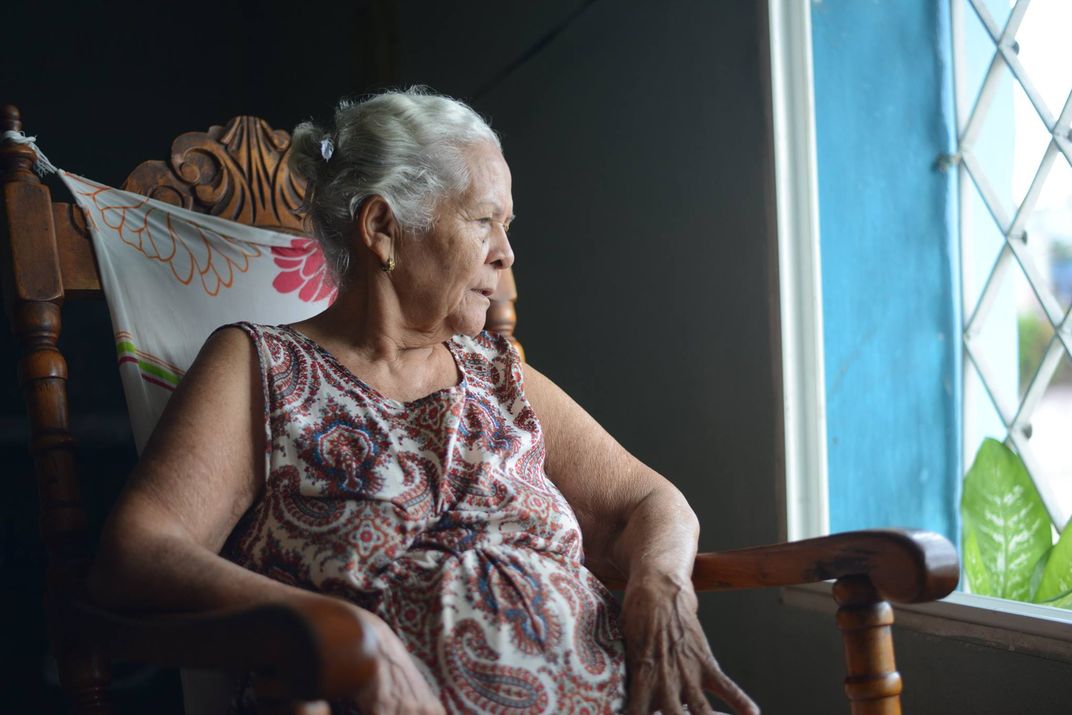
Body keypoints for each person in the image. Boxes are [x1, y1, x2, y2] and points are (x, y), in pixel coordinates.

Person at [89, 88, 759, 715]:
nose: (507, 254)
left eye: (508, 224)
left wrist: (661, 584)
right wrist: (332, 623)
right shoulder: (258, 367)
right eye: (484, 221)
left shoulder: (498, 374)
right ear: (381, 227)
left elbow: (654, 504)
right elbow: (137, 552)